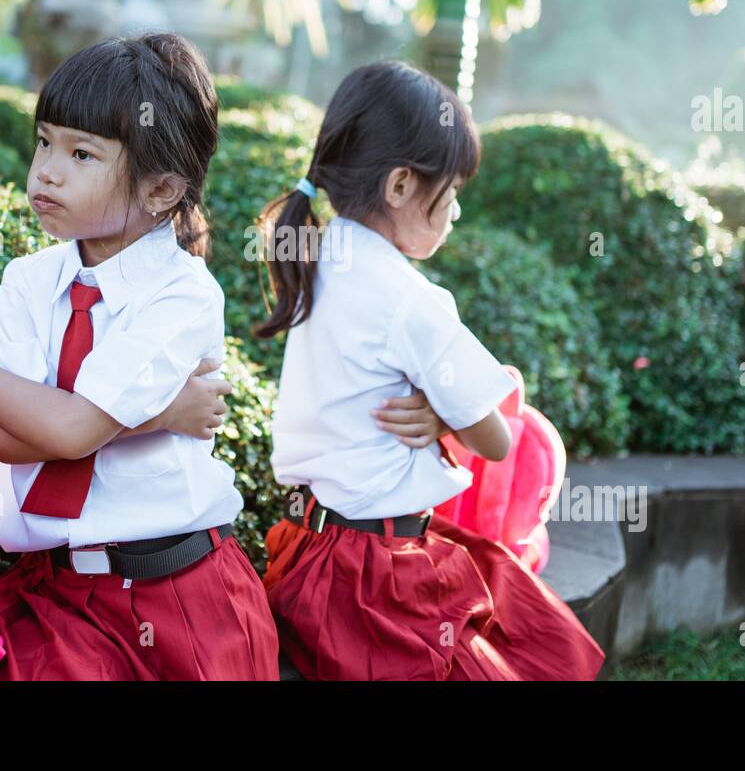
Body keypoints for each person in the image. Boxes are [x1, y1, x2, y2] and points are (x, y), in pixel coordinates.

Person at [254, 60, 606, 681]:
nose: (455, 213)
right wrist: (446, 413)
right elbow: (496, 441)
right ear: (399, 186)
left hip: (304, 550)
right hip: (374, 583)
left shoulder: (318, 256)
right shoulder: (411, 300)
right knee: (537, 641)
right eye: (452, 194)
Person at [0, 32, 279, 680]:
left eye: (81, 153)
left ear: (161, 191)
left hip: (183, 594)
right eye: (44, 141)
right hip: (59, 599)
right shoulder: (29, 280)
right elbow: (16, 443)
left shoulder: (181, 294)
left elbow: (70, 430)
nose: (47, 169)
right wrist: (158, 414)